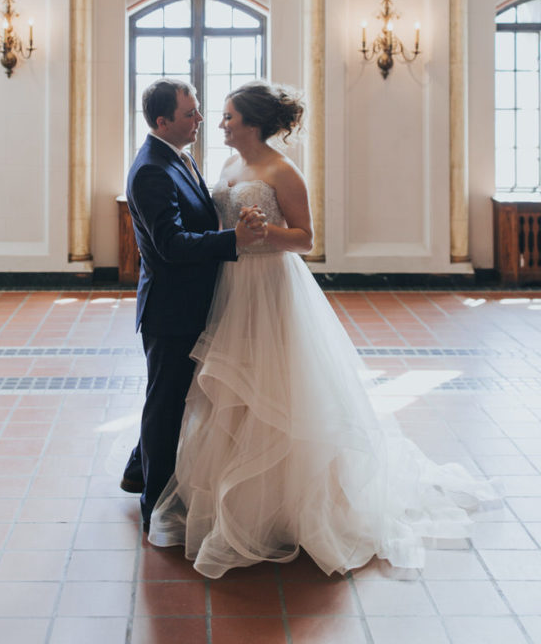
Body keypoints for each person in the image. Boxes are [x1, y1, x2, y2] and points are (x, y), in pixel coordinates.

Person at [149, 80, 501, 577]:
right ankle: (235, 502)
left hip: (270, 287)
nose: (219, 123)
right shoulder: (227, 167)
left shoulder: (282, 170)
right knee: (234, 393)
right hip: (228, 287)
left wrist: (263, 232)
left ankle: (287, 508)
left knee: (277, 389)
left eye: (227, 116)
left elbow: (306, 240)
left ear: (252, 123)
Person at [122, 77, 267, 531]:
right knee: (166, 404)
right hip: (171, 309)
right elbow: (171, 244)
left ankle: (138, 470)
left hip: (192, 301)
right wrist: (234, 240)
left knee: (177, 397)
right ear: (163, 121)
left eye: (199, 109)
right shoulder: (150, 169)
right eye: (190, 113)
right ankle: (153, 503)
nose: (200, 119)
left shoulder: (176, 157)